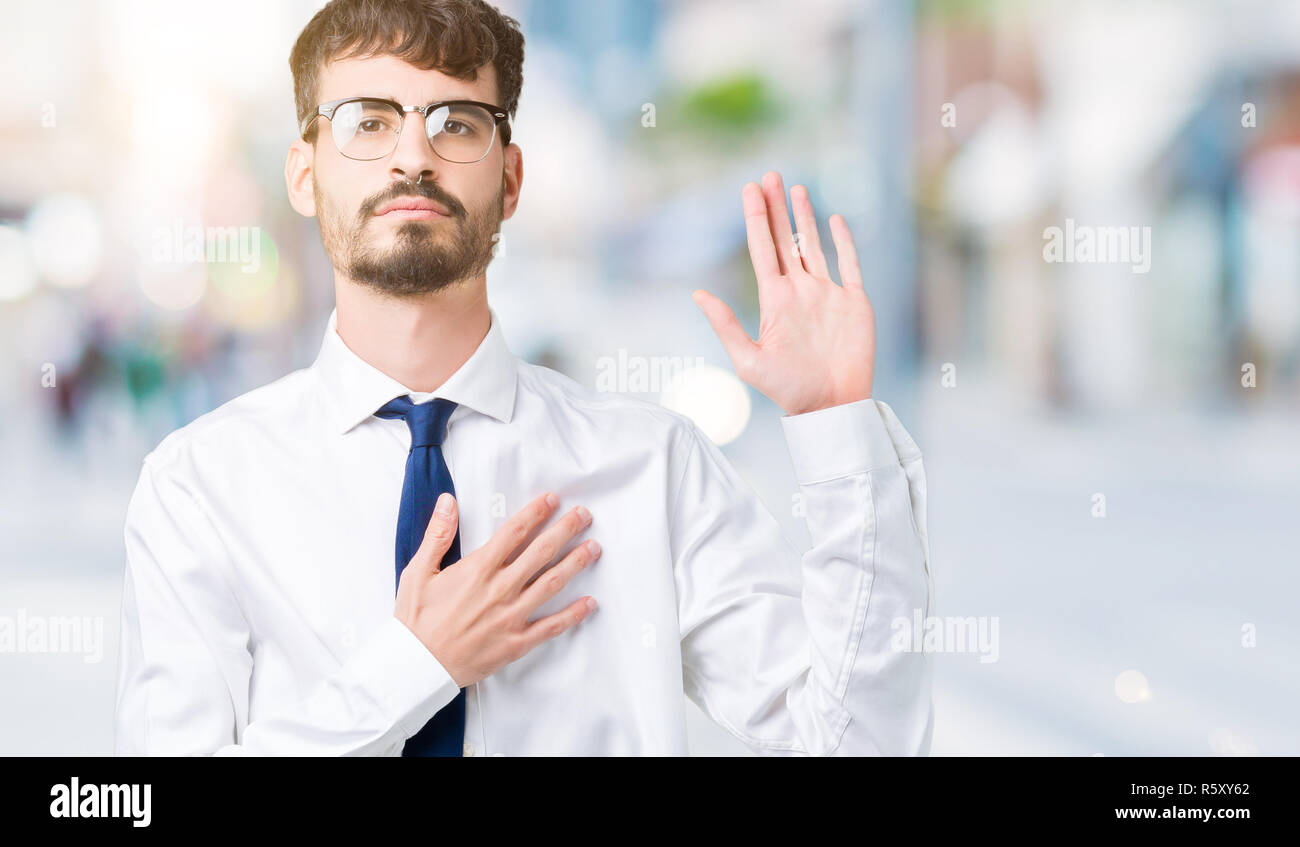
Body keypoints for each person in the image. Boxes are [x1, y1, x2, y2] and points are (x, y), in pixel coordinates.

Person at [113, 0, 934, 756]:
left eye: (456, 124)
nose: (412, 157)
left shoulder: (654, 467)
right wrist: (411, 667)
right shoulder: (199, 489)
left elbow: (862, 740)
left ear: (509, 179)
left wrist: (835, 427)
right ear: (304, 172)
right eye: (368, 122)